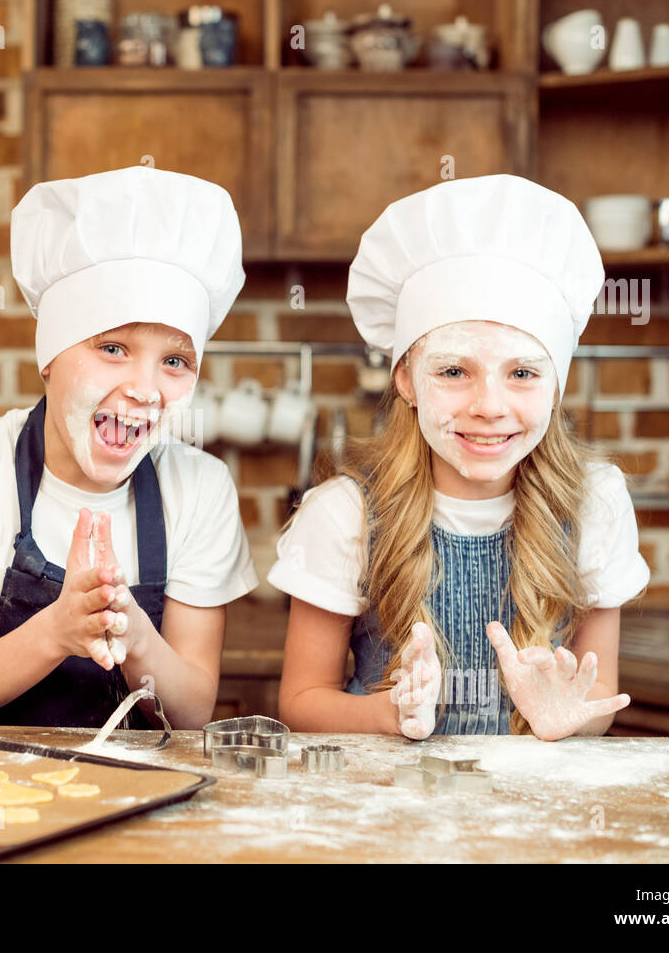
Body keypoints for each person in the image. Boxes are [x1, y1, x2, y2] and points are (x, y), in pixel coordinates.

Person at [0, 165, 258, 729]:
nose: (145, 389)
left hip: (137, 800)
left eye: (174, 361)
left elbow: (191, 712)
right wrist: (58, 631)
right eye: (113, 348)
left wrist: (131, 631)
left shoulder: (200, 490)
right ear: (47, 355)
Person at [270, 174, 649, 739]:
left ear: (557, 386)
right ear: (406, 378)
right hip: (388, 811)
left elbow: (597, 697)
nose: (489, 407)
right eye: (453, 372)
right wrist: (387, 715)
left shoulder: (595, 504)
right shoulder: (344, 513)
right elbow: (301, 701)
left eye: (522, 373)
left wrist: (566, 721)